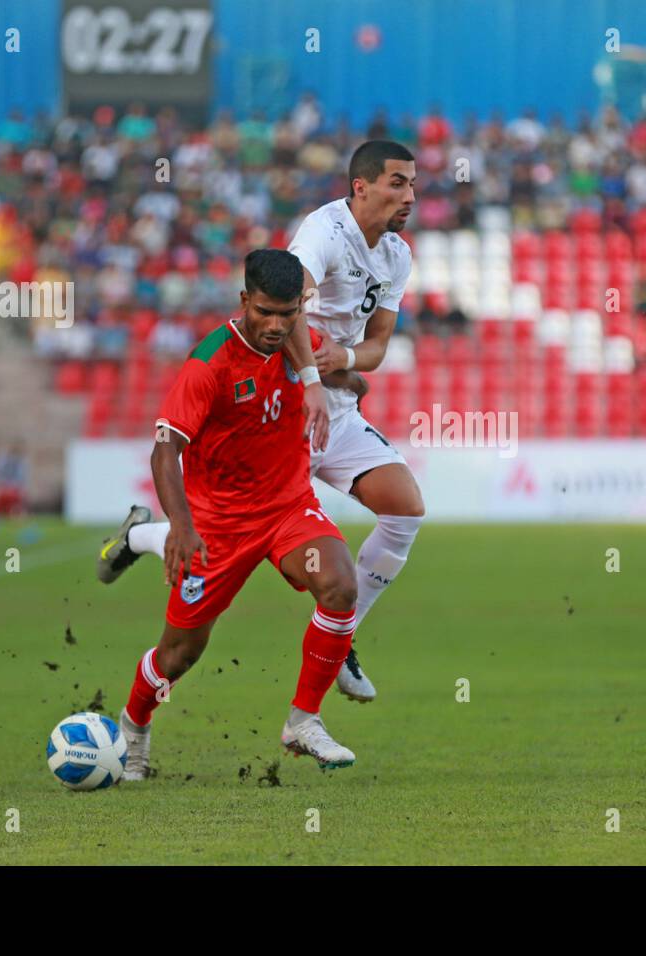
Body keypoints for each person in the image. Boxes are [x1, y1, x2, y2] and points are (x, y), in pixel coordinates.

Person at [101, 141, 423, 705]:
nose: (410, 196)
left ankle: (344, 638)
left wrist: (341, 366)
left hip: (331, 402)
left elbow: (375, 348)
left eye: (413, 184)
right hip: (288, 399)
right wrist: (310, 382)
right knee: (224, 541)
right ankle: (144, 537)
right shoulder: (323, 234)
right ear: (361, 186)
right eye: (398, 183)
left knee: (405, 507)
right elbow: (289, 303)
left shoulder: (397, 256)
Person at [117, 249, 364, 777]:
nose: (276, 325)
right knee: (179, 654)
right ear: (244, 300)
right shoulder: (209, 364)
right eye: (265, 312)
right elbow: (165, 450)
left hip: (288, 508)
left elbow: (349, 376)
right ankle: (134, 724)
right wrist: (183, 527)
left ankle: (304, 719)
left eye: (288, 313)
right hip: (219, 527)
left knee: (341, 584)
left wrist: (343, 378)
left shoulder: (302, 345)